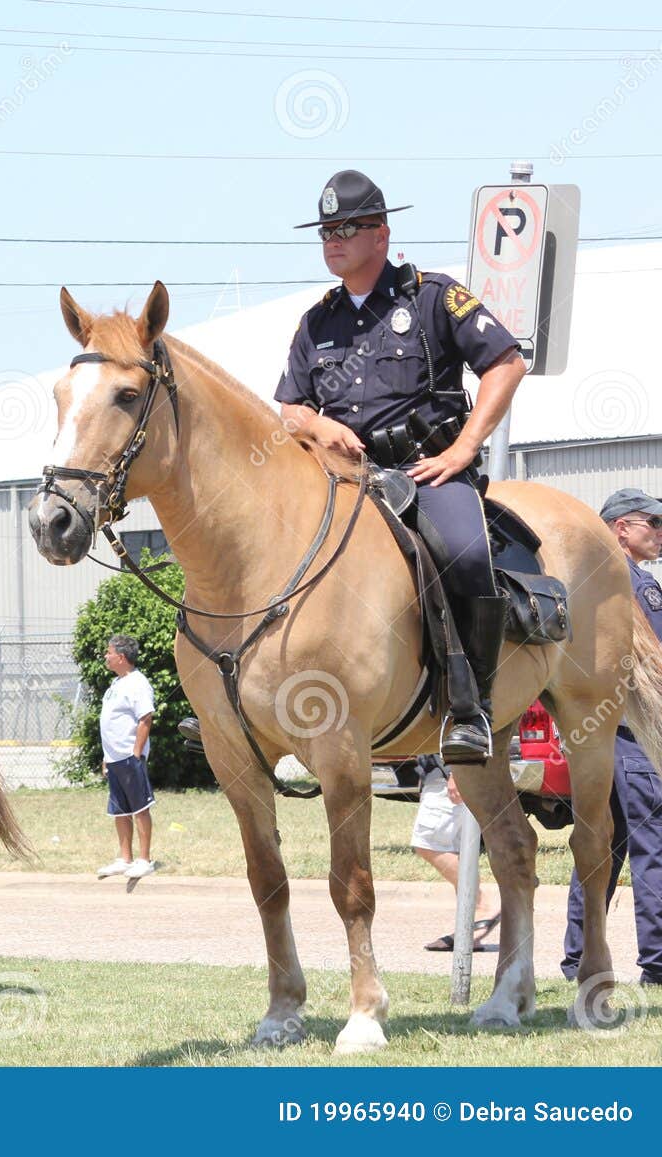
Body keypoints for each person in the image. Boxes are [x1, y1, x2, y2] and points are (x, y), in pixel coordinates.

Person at [275, 171, 526, 762]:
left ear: (381, 235)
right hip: (342, 478)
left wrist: (464, 449)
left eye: (346, 229)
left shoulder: (434, 297)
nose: (333, 241)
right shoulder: (317, 321)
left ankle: (471, 708)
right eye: (326, 232)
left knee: (465, 553)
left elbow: (506, 363)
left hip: (423, 473)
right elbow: (289, 407)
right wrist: (318, 426)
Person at [562, 488, 662, 986]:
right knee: (653, 843)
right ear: (621, 528)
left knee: (599, 843)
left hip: (600, 733)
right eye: (653, 523)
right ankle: (659, 962)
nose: (661, 533)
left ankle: (577, 957)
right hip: (635, 731)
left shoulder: (587, 583)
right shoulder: (632, 584)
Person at [408, 754, 500, 951]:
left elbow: (455, 732)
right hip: (448, 773)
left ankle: (483, 906)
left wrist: (455, 773)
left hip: (446, 775)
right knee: (455, 851)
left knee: (428, 844)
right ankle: (469, 928)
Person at [96, 635, 157, 880]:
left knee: (140, 808)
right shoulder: (116, 684)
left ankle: (144, 860)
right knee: (120, 810)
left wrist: (136, 753)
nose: (106, 656)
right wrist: (106, 756)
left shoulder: (138, 683)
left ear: (121, 657)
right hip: (114, 758)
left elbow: (145, 718)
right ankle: (125, 859)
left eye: (109, 652)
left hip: (129, 757)